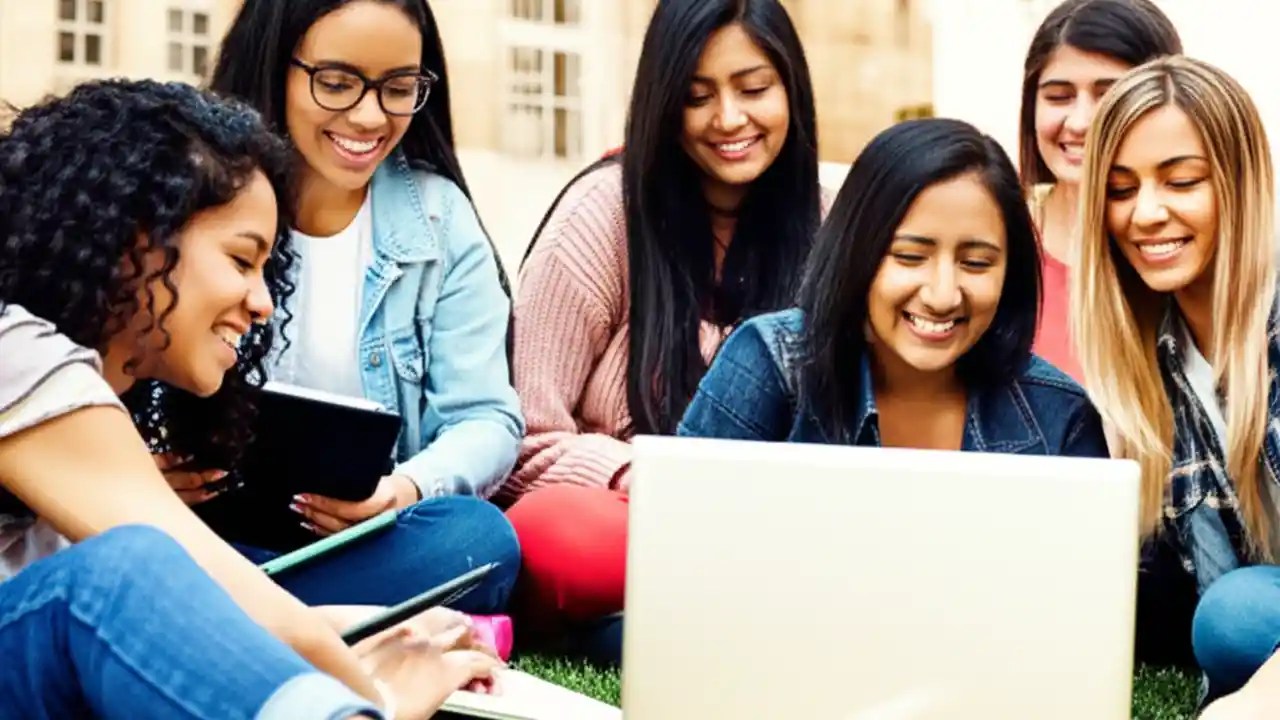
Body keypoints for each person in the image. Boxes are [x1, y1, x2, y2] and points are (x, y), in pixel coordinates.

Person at [0, 78, 500, 719]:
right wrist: (375, 694)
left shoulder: (96, 398)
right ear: (134, 248)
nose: (264, 303)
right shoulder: (16, 352)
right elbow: (151, 585)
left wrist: (348, 629)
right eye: (242, 261)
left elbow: (191, 610)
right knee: (124, 570)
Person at [501, 0, 824, 665]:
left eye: (754, 88)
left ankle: (671, 625)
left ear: (792, 89)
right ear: (661, 102)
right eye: (696, 96)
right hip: (629, 521)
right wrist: (646, 477)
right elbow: (523, 443)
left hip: (769, 528)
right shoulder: (601, 218)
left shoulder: (829, 228)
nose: (728, 119)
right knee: (553, 534)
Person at [205, 0, 521, 611]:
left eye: (399, 87)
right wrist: (150, 466)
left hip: (360, 544)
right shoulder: (200, 198)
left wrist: (399, 491)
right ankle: (302, 617)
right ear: (276, 66)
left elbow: (486, 419)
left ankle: (236, 612)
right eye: (338, 82)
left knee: (480, 541)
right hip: (209, 529)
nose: (370, 115)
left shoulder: (440, 220)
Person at [679, 117, 1107, 462]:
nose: (942, 295)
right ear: (857, 252)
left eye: (976, 263)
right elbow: (681, 539)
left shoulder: (1059, 415)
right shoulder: (769, 364)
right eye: (909, 257)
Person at [1069, 55, 1280, 715]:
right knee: (1233, 616)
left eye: (1181, 181)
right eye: (1122, 189)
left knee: (1237, 616)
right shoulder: (1149, 358)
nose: (1146, 214)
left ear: (1240, 184)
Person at [1017, 0, 1181, 382]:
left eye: (1108, 95)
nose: (1080, 122)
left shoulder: (1186, 249)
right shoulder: (996, 239)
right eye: (1058, 96)